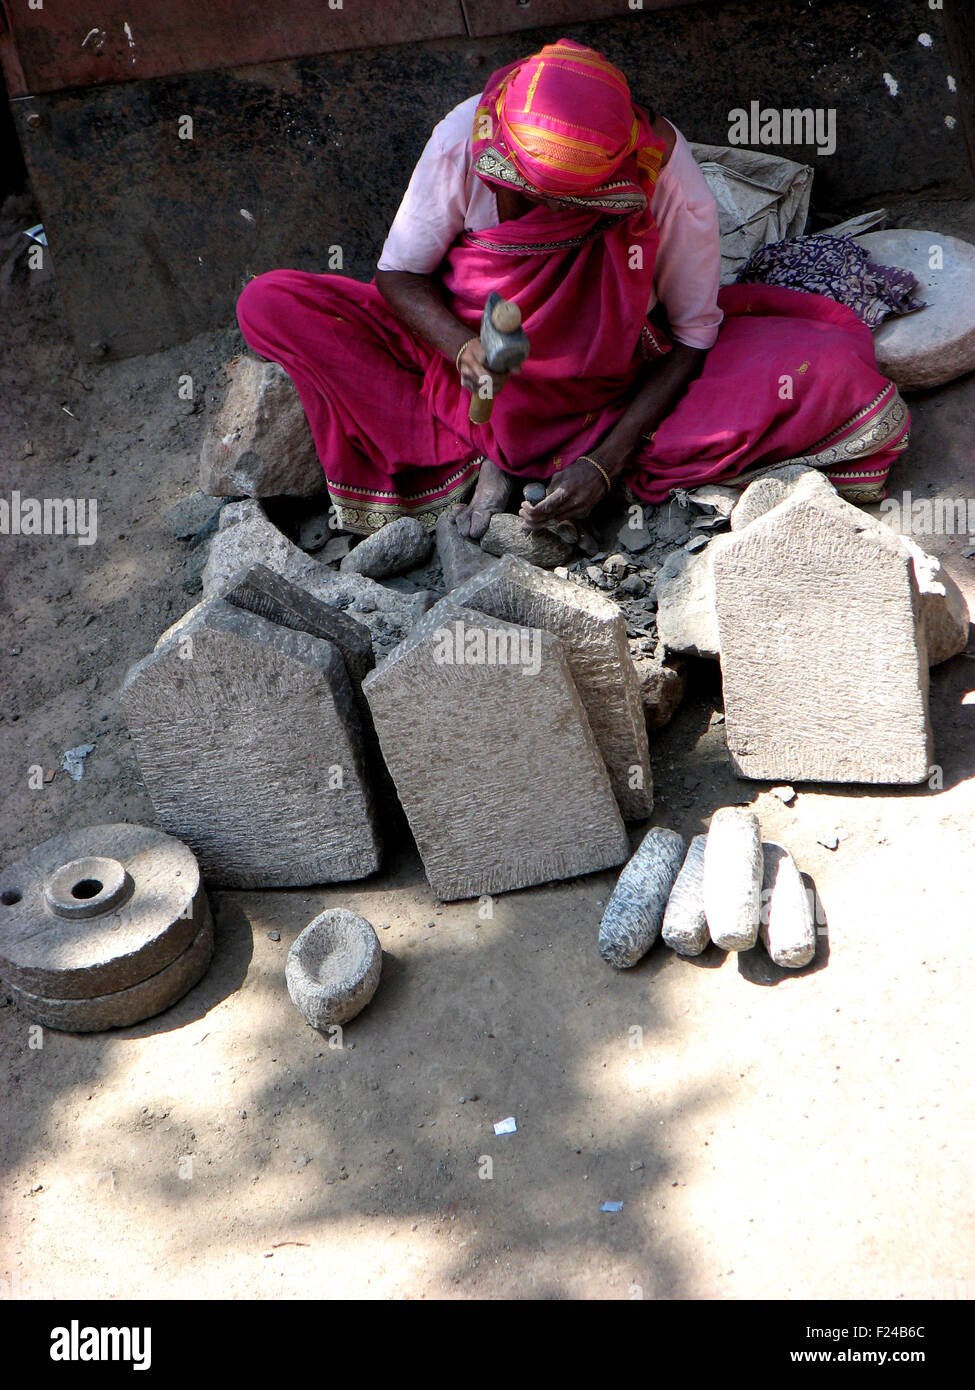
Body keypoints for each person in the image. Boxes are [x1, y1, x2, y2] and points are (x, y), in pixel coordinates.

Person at [237, 38, 908, 538]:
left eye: (552, 204)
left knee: (826, 372)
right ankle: (487, 449)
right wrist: (462, 349)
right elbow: (397, 277)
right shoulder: (463, 136)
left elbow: (694, 334)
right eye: (512, 189)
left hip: (604, 391)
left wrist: (604, 462)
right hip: (463, 371)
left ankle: (520, 459)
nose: (520, 205)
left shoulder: (666, 180)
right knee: (271, 302)